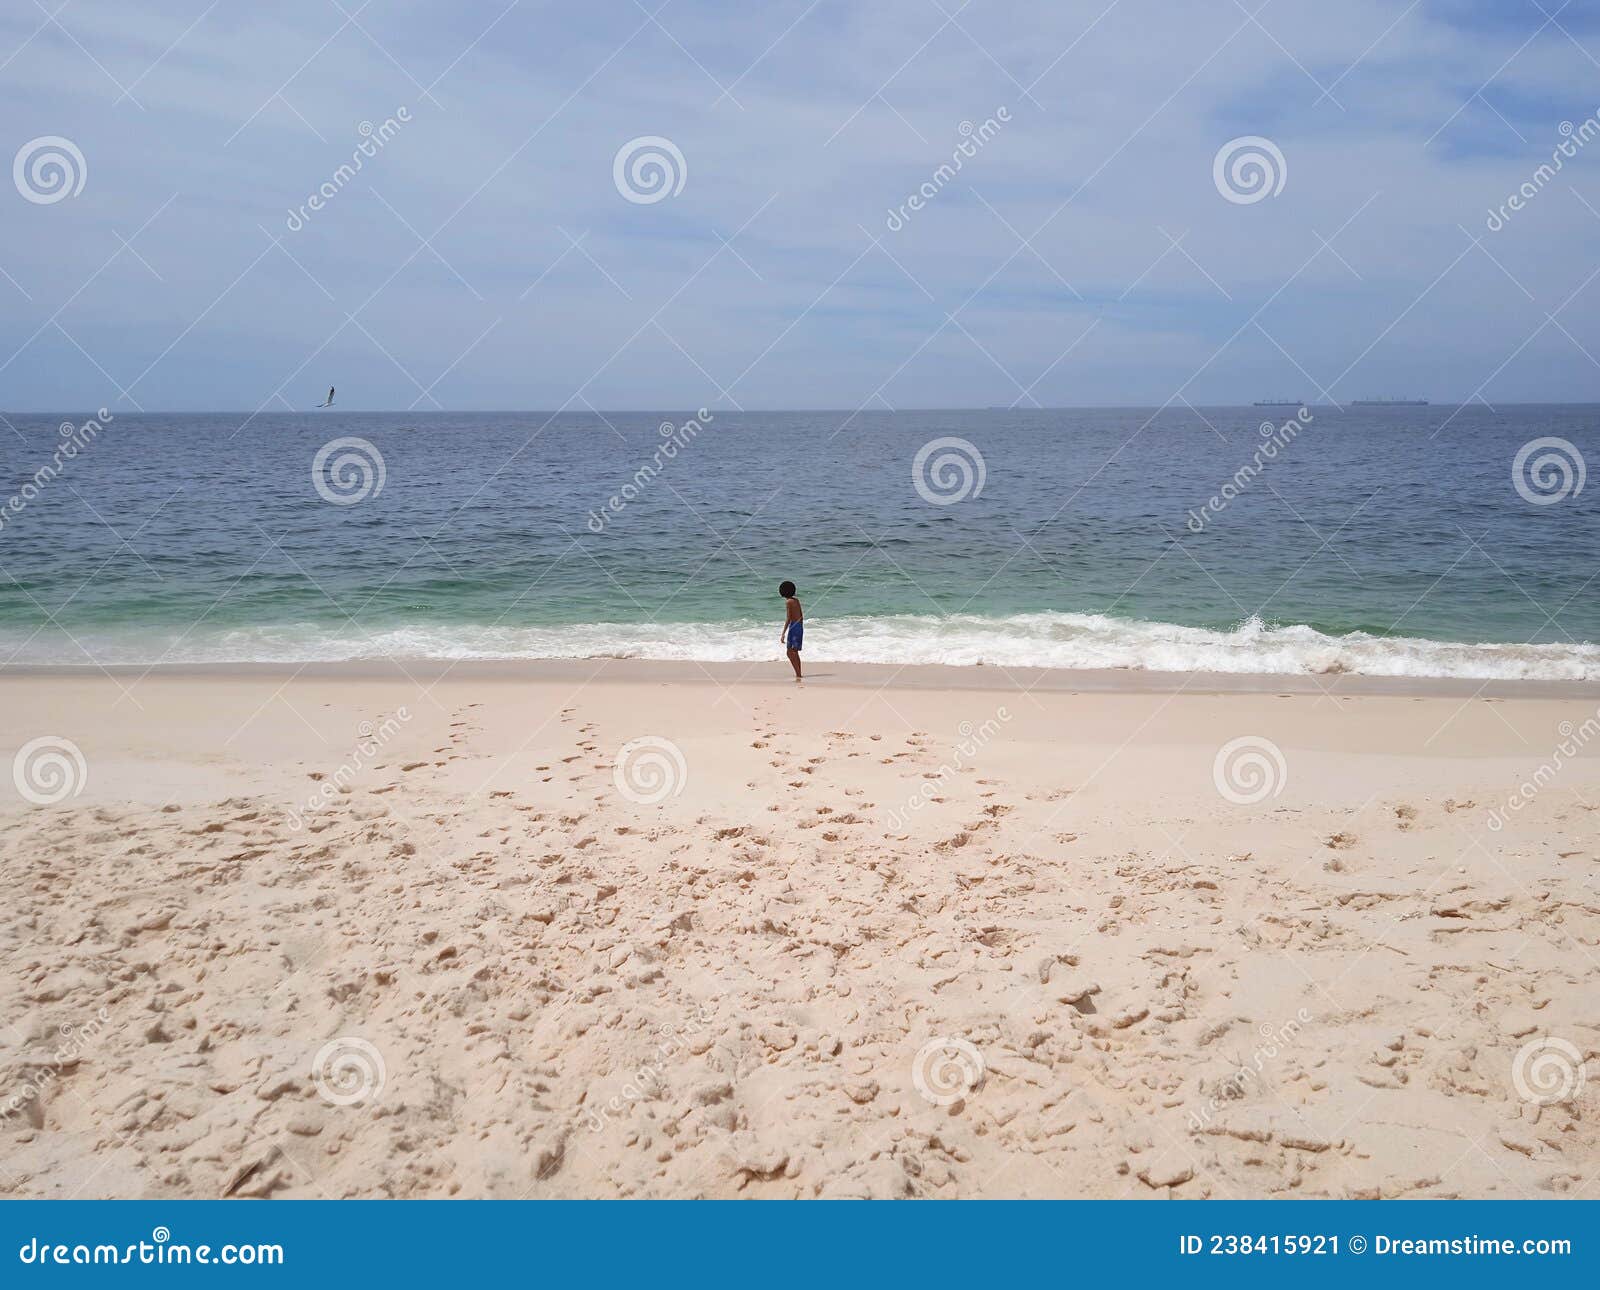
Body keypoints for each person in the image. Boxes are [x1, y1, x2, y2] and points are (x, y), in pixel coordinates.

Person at [778, 580, 803, 682]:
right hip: (799, 626)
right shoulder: (796, 600)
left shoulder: (788, 602)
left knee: (790, 652)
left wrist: (783, 633)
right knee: (794, 652)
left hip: (794, 626)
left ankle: (798, 674)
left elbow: (788, 618)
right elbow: (801, 615)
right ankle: (799, 674)